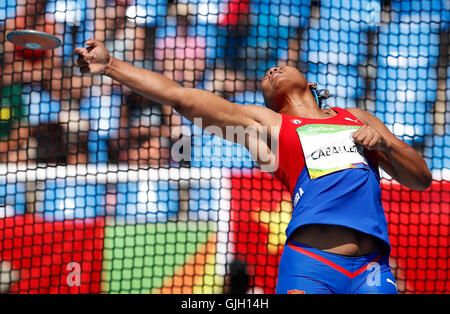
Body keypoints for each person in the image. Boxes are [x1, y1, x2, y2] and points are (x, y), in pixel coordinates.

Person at [74, 39, 432, 294]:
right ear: (267, 102)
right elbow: (180, 97)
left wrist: (385, 142)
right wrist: (111, 66)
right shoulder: (268, 126)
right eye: (266, 77)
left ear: (311, 83)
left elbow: (420, 179)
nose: (272, 69)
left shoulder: (356, 118)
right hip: (311, 267)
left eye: (280, 67)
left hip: (372, 269)